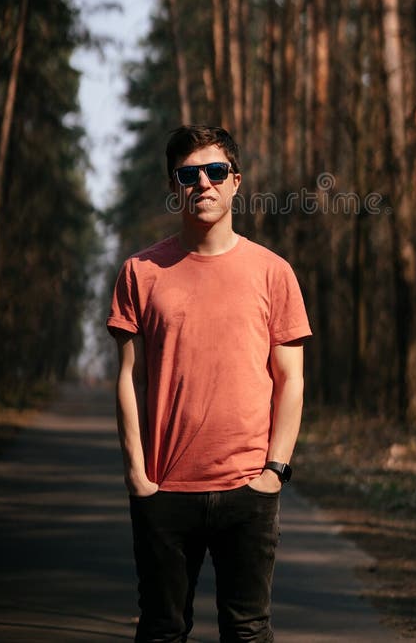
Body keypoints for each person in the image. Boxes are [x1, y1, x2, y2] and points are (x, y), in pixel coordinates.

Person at [107, 125, 312, 643]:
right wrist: (137, 474)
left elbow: (291, 379)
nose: (204, 183)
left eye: (215, 171)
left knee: (247, 631)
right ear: (175, 185)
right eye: (189, 174)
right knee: (161, 630)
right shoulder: (139, 273)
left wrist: (275, 471)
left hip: (248, 489)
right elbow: (130, 377)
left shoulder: (273, 272)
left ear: (235, 181)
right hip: (164, 488)